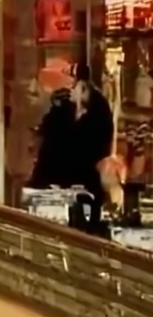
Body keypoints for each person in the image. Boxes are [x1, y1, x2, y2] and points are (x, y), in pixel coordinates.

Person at [70, 62, 115, 234]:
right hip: (95, 147)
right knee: (92, 185)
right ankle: (89, 218)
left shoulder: (86, 93)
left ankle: (89, 219)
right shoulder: (97, 97)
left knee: (91, 184)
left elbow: (82, 120)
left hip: (91, 148)